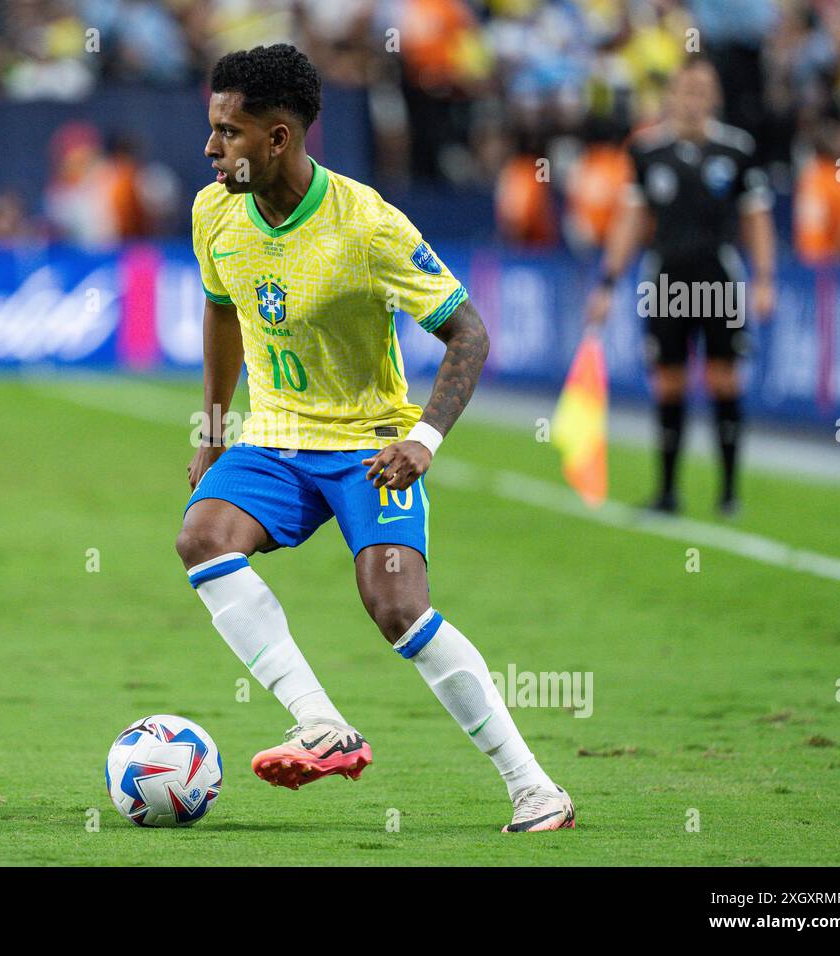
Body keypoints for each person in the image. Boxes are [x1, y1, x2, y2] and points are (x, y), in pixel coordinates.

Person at [176, 44, 573, 832]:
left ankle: (535, 788)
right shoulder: (214, 211)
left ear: (280, 138)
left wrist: (424, 438)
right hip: (277, 440)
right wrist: (216, 428)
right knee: (203, 538)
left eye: (228, 133)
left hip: (370, 443)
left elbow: (468, 333)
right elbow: (222, 309)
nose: (212, 149)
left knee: (395, 607)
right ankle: (321, 722)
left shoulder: (366, 224)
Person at [586, 57, 776, 515]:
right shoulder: (648, 151)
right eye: (685, 91)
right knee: (669, 383)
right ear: (671, 96)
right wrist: (608, 282)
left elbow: (756, 220)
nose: (692, 101)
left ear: (714, 98)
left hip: (720, 281)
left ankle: (729, 493)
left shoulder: (737, 149)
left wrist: (766, 279)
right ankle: (667, 491)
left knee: (723, 380)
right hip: (665, 282)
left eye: (701, 91)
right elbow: (631, 221)